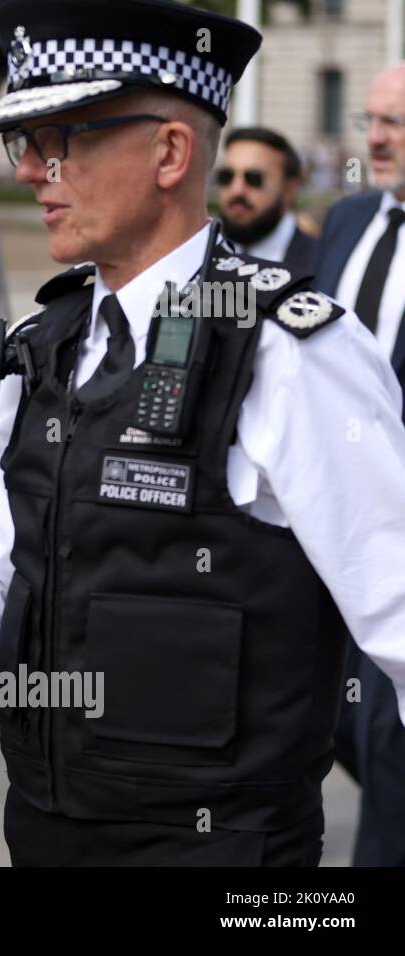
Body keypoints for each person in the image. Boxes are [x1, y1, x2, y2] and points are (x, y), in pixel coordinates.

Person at [0, 0, 405, 866]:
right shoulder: (39, 347)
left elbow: (397, 607)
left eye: (62, 138)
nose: (30, 170)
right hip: (46, 831)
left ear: (170, 152)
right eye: (22, 142)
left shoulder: (292, 350)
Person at [311, 63, 405, 867]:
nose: (374, 137)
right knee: (333, 713)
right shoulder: (345, 220)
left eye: (396, 123)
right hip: (324, 518)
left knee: (385, 730)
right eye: (371, 120)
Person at [216, 126, 317, 271]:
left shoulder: (321, 262)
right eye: (226, 177)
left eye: (254, 179)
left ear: (290, 189)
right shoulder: (202, 254)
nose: (237, 190)